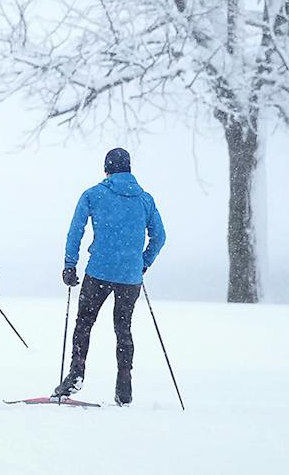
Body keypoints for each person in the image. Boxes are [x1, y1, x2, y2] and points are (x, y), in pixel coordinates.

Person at [57, 147, 166, 405]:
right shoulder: (145, 199)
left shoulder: (93, 195)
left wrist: (70, 264)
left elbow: (76, 231)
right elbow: (159, 236)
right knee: (123, 328)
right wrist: (143, 262)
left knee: (84, 321)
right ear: (129, 170)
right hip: (130, 276)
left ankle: (75, 374)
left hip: (99, 271)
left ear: (106, 169)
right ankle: (124, 385)